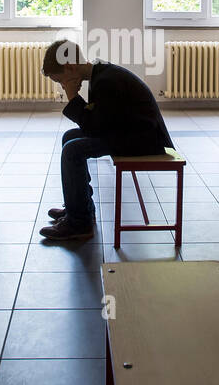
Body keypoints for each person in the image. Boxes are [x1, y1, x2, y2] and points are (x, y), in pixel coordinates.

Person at [38, 39, 173, 240]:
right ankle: (80, 207)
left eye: (61, 81)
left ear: (70, 67)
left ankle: (79, 223)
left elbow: (95, 128)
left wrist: (73, 97)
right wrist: (77, 102)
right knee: (70, 137)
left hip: (143, 140)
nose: (62, 86)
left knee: (73, 150)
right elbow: (98, 124)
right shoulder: (100, 74)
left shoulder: (105, 81)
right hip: (129, 132)